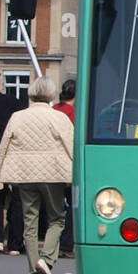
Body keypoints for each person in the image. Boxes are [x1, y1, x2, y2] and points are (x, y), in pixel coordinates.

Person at [0, 76, 74, 274]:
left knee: (29, 224)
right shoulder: (59, 118)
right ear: (50, 94)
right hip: (52, 173)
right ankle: (47, 260)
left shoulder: (17, 117)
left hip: (25, 173)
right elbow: (71, 146)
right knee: (57, 218)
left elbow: (4, 145)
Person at [0, 72, 24, 255]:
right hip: (13, 154)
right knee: (17, 197)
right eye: (2, 85)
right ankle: (15, 243)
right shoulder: (13, 103)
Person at [53, 78, 76, 254]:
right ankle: (66, 244)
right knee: (72, 205)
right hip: (67, 164)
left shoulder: (54, 110)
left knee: (54, 207)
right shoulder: (72, 113)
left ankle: (53, 243)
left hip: (51, 164)